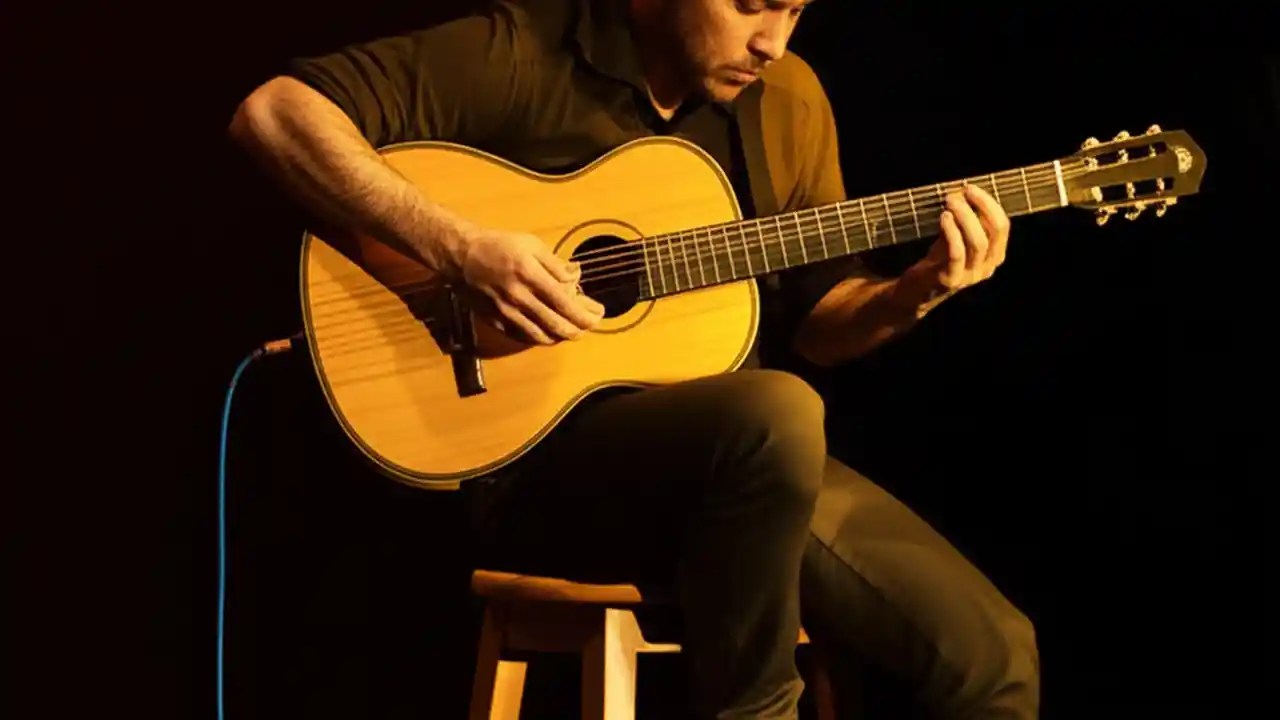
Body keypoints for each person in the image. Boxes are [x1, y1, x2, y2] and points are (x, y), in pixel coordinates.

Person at [227, 0, 1039, 717]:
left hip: (745, 470)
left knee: (993, 656)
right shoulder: (524, 50)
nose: (773, 43)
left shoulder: (788, 101)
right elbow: (276, 113)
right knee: (779, 409)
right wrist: (460, 248)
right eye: (752, 6)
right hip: (532, 467)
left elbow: (817, 326)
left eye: (795, 13)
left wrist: (915, 293)